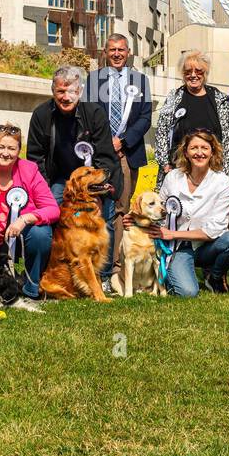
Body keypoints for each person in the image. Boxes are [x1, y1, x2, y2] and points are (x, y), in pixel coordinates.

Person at [26, 65, 123, 291]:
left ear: (80, 92)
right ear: (53, 91)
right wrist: (42, 192)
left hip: (93, 177)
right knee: (50, 223)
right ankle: (48, 271)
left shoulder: (95, 114)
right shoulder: (41, 115)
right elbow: (35, 158)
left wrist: (101, 193)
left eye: (71, 91)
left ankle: (103, 277)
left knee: (104, 219)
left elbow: (107, 157)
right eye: (60, 91)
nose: (66, 97)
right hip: (58, 179)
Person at [138, 129, 229, 296]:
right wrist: (136, 219)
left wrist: (173, 233)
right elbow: (158, 207)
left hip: (207, 246)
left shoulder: (222, 181)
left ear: (212, 151)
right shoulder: (172, 177)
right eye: (194, 148)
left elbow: (215, 229)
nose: (199, 153)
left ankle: (214, 276)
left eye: (204, 148)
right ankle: (175, 271)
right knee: (187, 293)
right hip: (177, 248)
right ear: (186, 152)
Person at [0, 122, 60, 299]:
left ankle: (31, 288)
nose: (5, 153)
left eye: (11, 148)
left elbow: (53, 209)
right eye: (0, 147)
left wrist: (25, 219)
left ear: (19, 150)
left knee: (41, 234)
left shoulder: (30, 170)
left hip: (18, 241)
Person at [86, 34, 152, 282]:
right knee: (97, 209)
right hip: (99, 156)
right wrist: (106, 144)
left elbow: (145, 117)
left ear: (128, 52)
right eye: (112, 49)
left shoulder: (140, 81)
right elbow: (88, 114)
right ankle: (93, 264)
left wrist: (123, 142)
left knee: (120, 210)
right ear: (105, 51)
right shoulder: (94, 80)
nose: (116, 54)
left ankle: (114, 269)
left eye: (121, 50)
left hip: (127, 153)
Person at [153, 50, 229, 186]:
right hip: (179, 170)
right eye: (187, 72)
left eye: (198, 71)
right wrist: (164, 163)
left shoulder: (221, 100)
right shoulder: (173, 98)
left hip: (214, 170)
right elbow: (162, 131)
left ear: (206, 73)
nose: (193, 75)